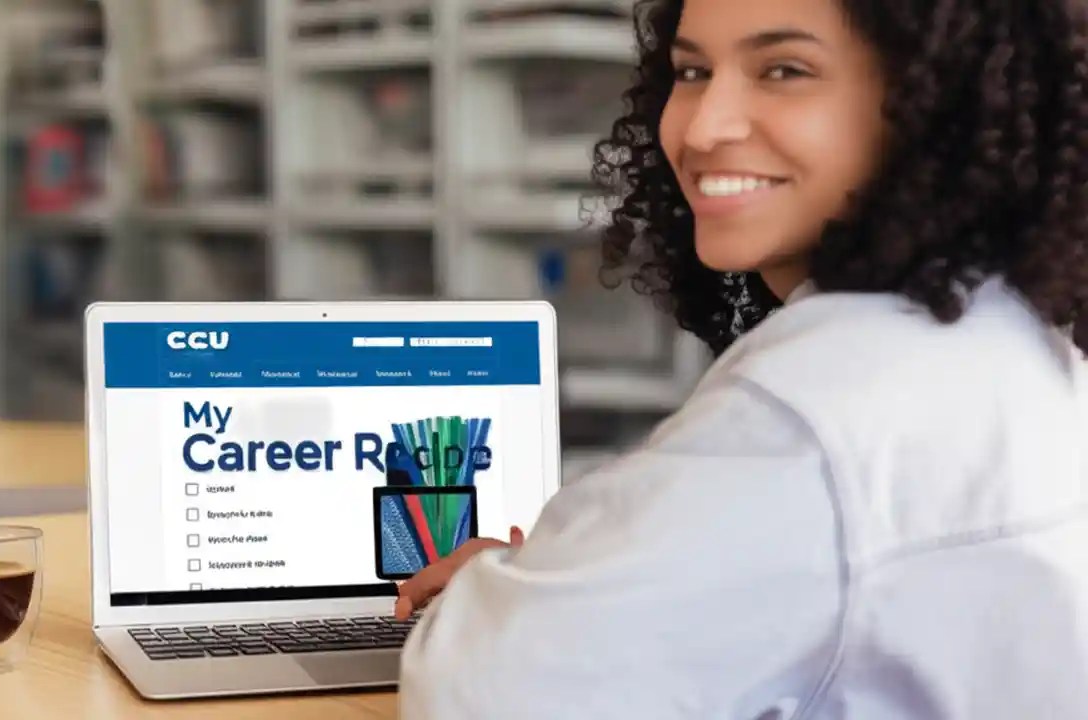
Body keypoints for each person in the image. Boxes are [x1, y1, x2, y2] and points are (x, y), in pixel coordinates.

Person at [395, 0, 1088, 717]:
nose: (703, 126)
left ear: (938, 99)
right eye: (692, 71)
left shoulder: (811, 408)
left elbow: (482, 695)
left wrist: (494, 600)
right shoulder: (1013, 343)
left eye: (785, 70)